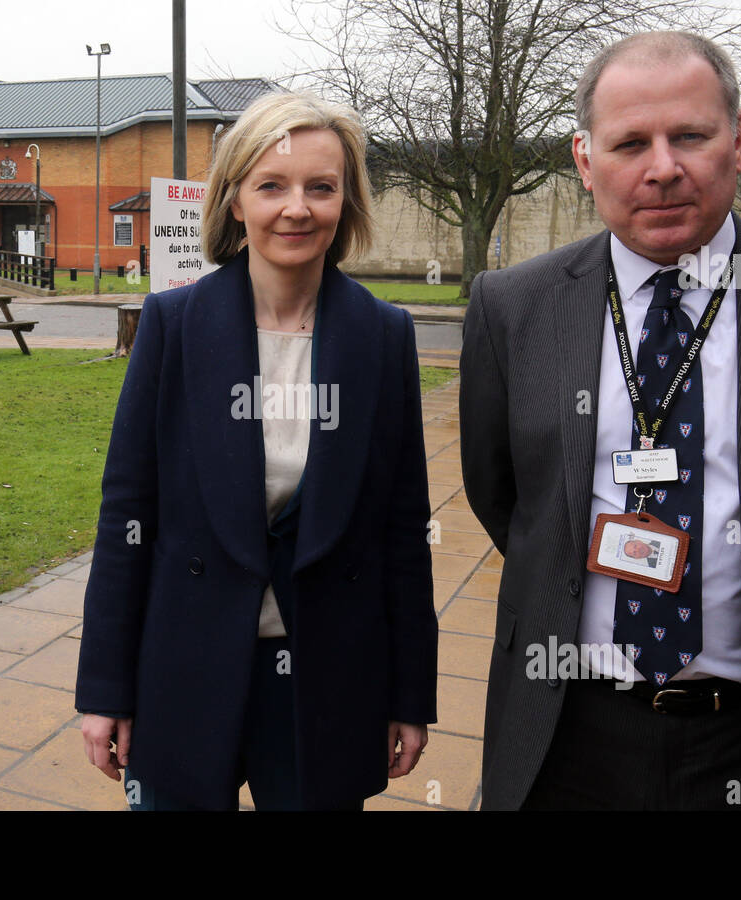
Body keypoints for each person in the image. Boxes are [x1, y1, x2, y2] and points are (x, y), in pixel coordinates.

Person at [460, 30, 741, 810]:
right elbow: (505, 500)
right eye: (630, 142)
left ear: (738, 140)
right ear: (584, 161)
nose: (663, 167)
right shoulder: (512, 307)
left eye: (690, 136)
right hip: (568, 734)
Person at [75, 90, 438, 811]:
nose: (296, 208)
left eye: (320, 187)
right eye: (271, 185)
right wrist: (105, 688)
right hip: (186, 669)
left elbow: (403, 530)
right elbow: (128, 515)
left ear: (347, 201)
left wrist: (408, 694)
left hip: (327, 677)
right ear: (236, 200)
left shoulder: (383, 338)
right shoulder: (173, 325)